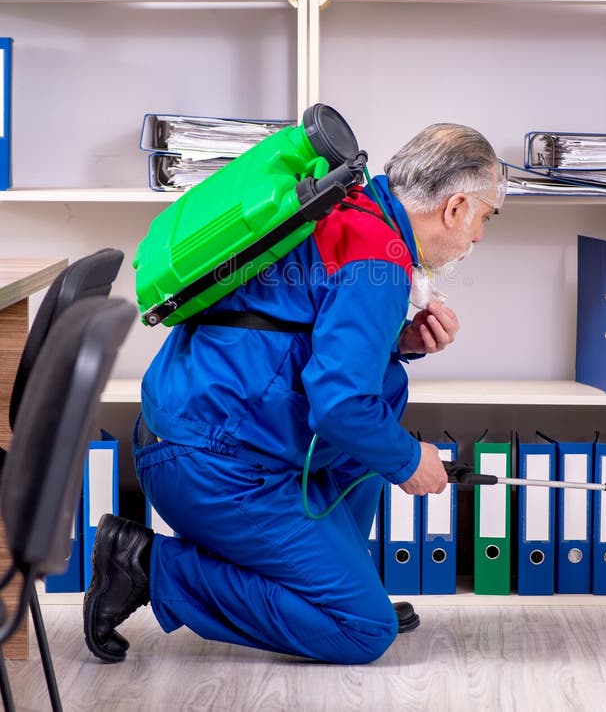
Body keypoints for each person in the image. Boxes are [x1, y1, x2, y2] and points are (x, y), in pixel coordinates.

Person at [83, 122, 505, 666]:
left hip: (190, 437)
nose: (478, 237)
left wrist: (397, 343)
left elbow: (290, 332)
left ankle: (338, 590)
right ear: (456, 207)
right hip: (212, 467)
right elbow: (340, 406)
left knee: (368, 436)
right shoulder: (379, 259)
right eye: (485, 219)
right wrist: (410, 461)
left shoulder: (348, 208)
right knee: (361, 631)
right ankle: (148, 566)